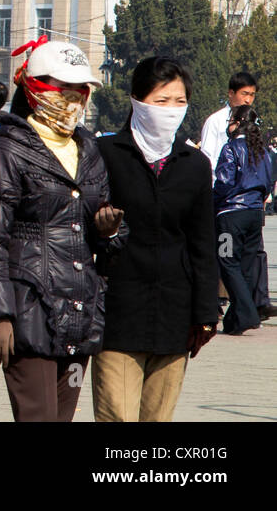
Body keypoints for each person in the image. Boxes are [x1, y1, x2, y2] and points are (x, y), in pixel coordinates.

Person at [0, 38, 128, 422]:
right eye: (64, 89)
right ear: (33, 87)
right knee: (37, 417)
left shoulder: (89, 149)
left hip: (79, 310)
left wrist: (109, 231)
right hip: (30, 309)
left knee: (62, 418)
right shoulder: (9, 149)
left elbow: (104, 231)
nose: (74, 99)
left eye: (82, 90)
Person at [92, 56, 218, 422]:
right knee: (116, 414)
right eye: (161, 101)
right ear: (136, 100)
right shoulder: (107, 156)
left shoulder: (194, 165)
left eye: (179, 102)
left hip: (175, 315)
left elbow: (202, 244)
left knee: (158, 418)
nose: (171, 111)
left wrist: (206, 314)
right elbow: (88, 232)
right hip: (118, 312)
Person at [212, 104, 270, 336]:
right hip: (255, 214)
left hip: (231, 214)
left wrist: (213, 201)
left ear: (237, 123)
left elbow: (224, 182)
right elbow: (267, 183)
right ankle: (235, 321)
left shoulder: (231, 147)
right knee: (244, 266)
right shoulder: (263, 152)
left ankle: (248, 312)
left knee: (227, 261)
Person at [199, 72, 257, 170]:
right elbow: (206, 157)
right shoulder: (215, 120)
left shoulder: (253, 122)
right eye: (244, 94)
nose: (248, 100)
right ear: (231, 93)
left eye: (252, 95)